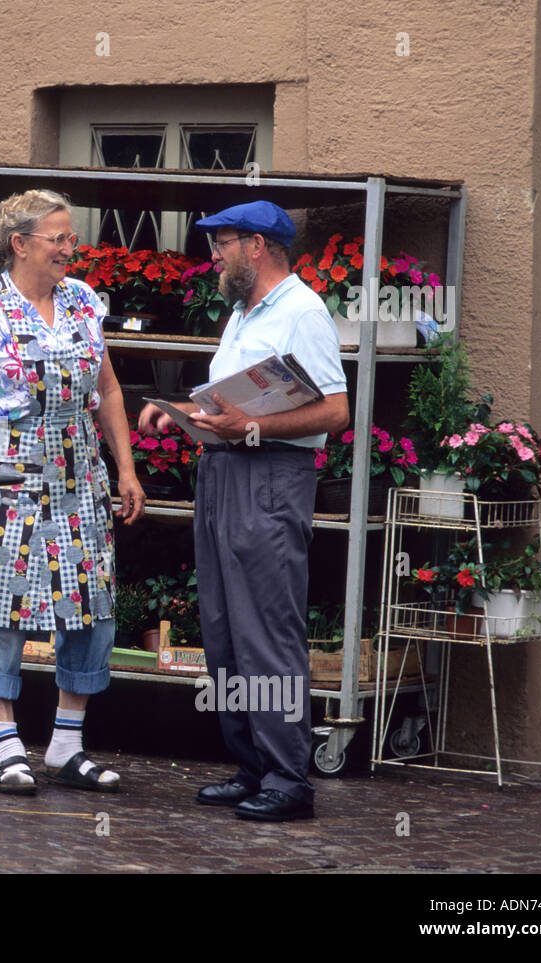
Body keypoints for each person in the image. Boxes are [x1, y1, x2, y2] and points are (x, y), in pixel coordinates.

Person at [139, 200, 348, 822]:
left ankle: (289, 779)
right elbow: (238, 401)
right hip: (224, 469)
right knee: (225, 628)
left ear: (257, 246)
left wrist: (250, 425)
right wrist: (179, 411)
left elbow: (335, 412)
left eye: (222, 242)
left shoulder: (302, 311)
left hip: (270, 476)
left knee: (267, 631)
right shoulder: (241, 311)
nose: (214, 254)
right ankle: (253, 766)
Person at [0, 189, 146, 795]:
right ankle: (7, 746)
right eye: (57, 237)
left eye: (70, 237)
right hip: (0, 468)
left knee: (90, 599)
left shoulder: (82, 302)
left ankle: (66, 744)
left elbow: (107, 391)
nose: (68, 248)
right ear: (20, 243)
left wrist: (125, 470)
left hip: (78, 471)